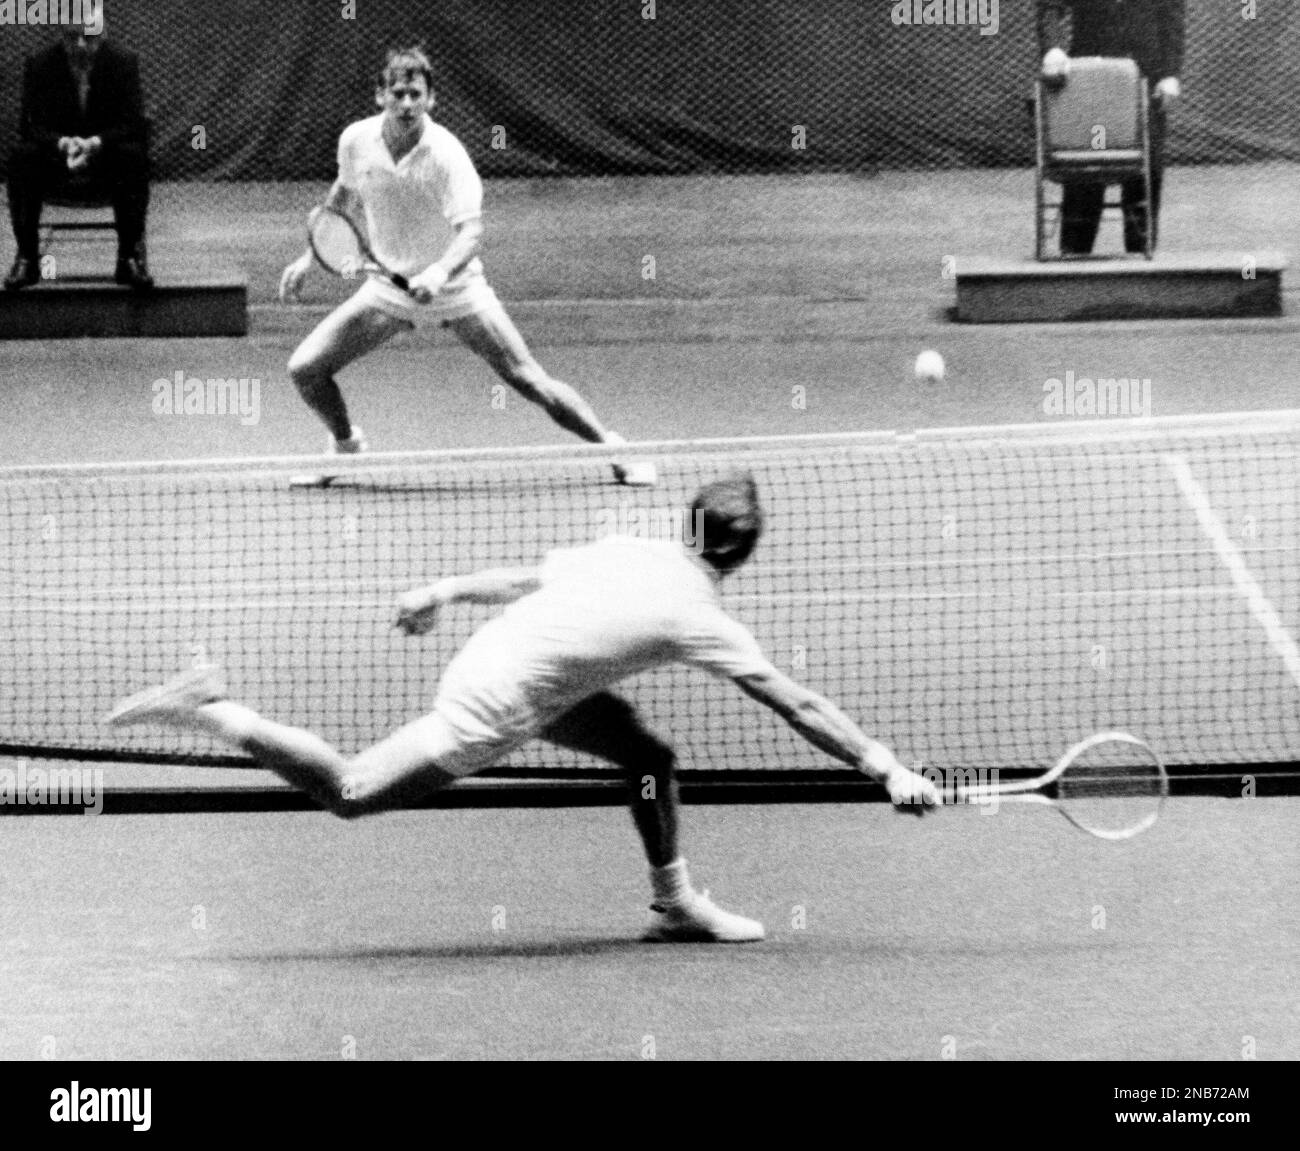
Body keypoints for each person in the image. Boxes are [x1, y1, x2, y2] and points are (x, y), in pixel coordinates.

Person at [106, 474, 939, 944]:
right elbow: (795, 700)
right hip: (500, 701)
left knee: (648, 760)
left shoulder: (632, 546)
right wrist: (886, 766)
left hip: (516, 664)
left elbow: (525, 579)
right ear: (743, 555)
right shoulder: (701, 617)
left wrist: (441, 588)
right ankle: (213, 707)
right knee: (353, 792)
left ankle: (674, 900)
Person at [278, 46, 652, 486]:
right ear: (379, 95)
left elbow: (471, 233)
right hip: (390, 288)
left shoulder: (447, 155)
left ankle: (614, 450)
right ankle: (345, 447)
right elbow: (342, 194)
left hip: (455, 287)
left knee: (529, 379)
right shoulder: (356, 140)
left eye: (416, 94)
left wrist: (437, 275)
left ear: (431, 100)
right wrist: (310, 254)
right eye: (397, 93)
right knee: (305, 369)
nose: (407, 104)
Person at [5, 13, 152, 290]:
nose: (82, 45)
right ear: (62, 35)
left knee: (134, 157)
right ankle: (27, 258)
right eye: (74, 37)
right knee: (21, 158)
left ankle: (128, 258)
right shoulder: (40, 63)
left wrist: (95, 143)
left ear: (104, 35)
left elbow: (132, 123)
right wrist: (63, 143)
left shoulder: (123, 61)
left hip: (105, 156)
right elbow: (30, 125)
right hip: (57, 156)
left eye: (91, 37)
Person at [1037, 0, 1186, 255]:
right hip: (1089, 77)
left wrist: (1170, 74)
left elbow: (1172, 18)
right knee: (1085, 168)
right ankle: (1073, 260)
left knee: (1147, 169)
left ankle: (1141, 262)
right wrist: (1052, 49)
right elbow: (1050, 8)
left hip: (1146, 80)